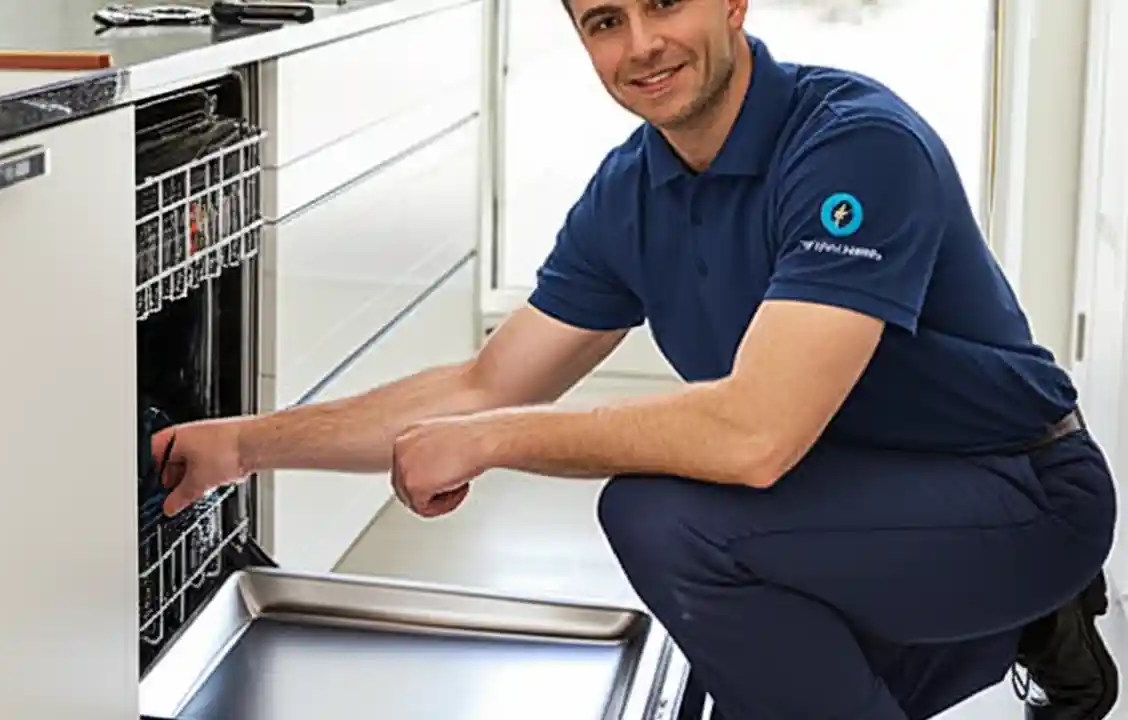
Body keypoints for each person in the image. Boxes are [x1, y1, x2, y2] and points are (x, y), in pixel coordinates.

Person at [151, 0, 1119, 717]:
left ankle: (1030, 601)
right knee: (740, 677)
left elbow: (753, 437)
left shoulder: (853, 147)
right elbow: (481, 381)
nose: (639, 45)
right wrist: (240, 444)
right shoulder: (632, 192)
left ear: (732, 2)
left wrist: (490, 442)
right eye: (604, 21)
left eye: (664, 3)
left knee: (667, 522)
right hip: (854, 499)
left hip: (1016, 486)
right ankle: (1020, 627)